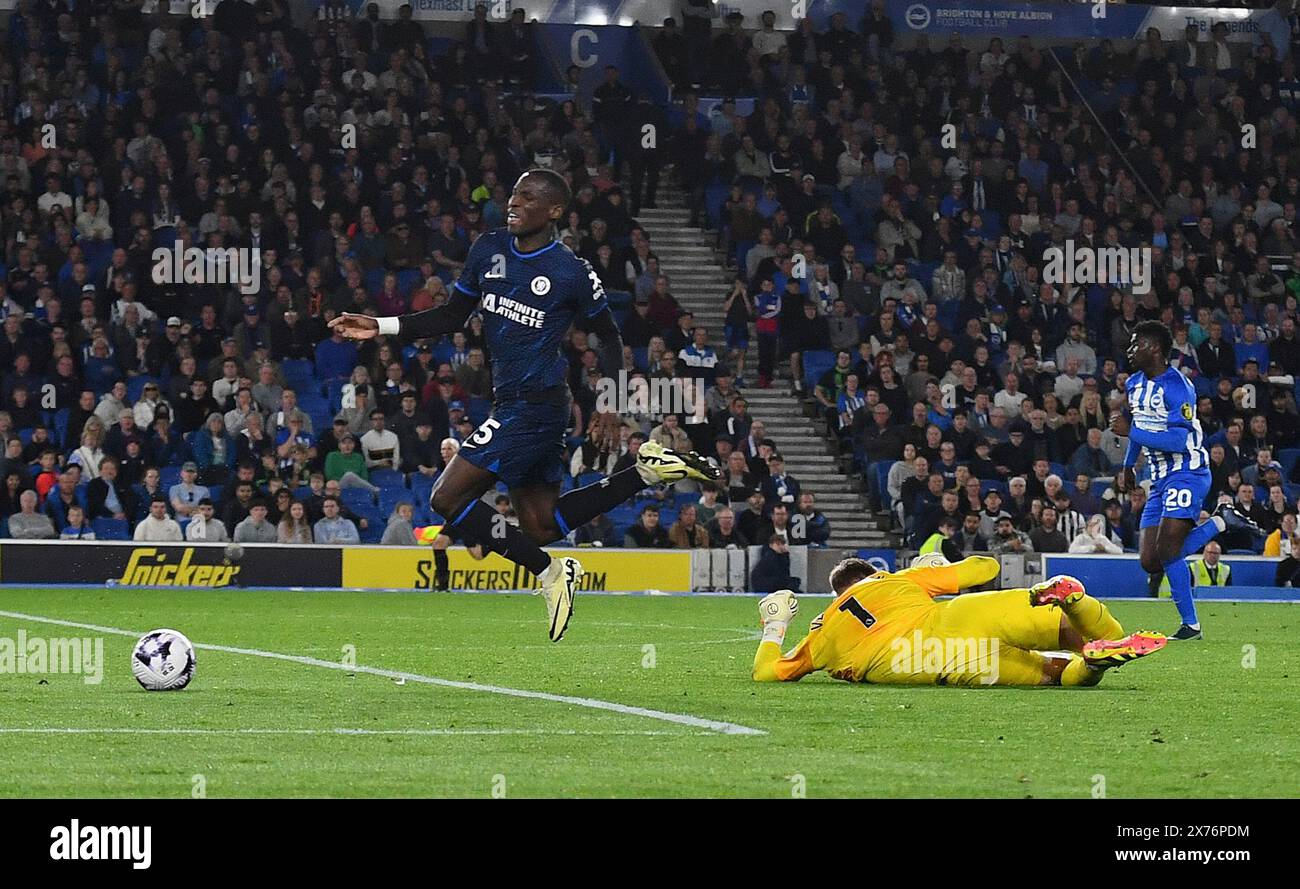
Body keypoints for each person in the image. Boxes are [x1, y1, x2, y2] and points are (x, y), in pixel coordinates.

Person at [329, 169, 719, 641]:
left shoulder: (571, 270)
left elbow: (611, 337)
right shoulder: (487, 250)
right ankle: (645, 473)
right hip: (512, 401)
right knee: (537, 524)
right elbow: (453, 314)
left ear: (554, 210)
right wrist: (381, 325)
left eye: (528, 197)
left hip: (536, 406)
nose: (513, 202)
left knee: (446, 498)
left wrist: (610, 401)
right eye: (513, 194)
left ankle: (549, 573)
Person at [752, 555, 1167, 686]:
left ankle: (1093, 663)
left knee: (1054, 675)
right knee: (1067, 626)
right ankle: (1075, 603)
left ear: (837, 594)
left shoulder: (823, 633)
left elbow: (767, 674)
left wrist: (775, 625)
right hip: (962, 614)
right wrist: (936, 568)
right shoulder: (899, 581)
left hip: (930, 660)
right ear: (870, 575)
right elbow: (983, 568)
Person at [1113, 321, 1261, 640]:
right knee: (1151, 561)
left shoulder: (1178, 386)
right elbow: (1138, 425)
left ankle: (1190, 625)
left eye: (1135, 345)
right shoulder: (1135, 384)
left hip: (1188, 470)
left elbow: (1178, 442)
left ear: (1154, 349)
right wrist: (1128, 465)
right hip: (1159, 476)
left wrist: (1131, 433)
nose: (1129, 351)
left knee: (1169, 549)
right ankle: (1219, 523)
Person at [1158, 541, 1231, 595]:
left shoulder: (1226, 569)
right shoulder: (1193, 567)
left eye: (1216, 553)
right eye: (1210, 552)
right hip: (1197, 599)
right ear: (1204, 553)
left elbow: (1229, 590)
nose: (1213, 555)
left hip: (1219, 598)